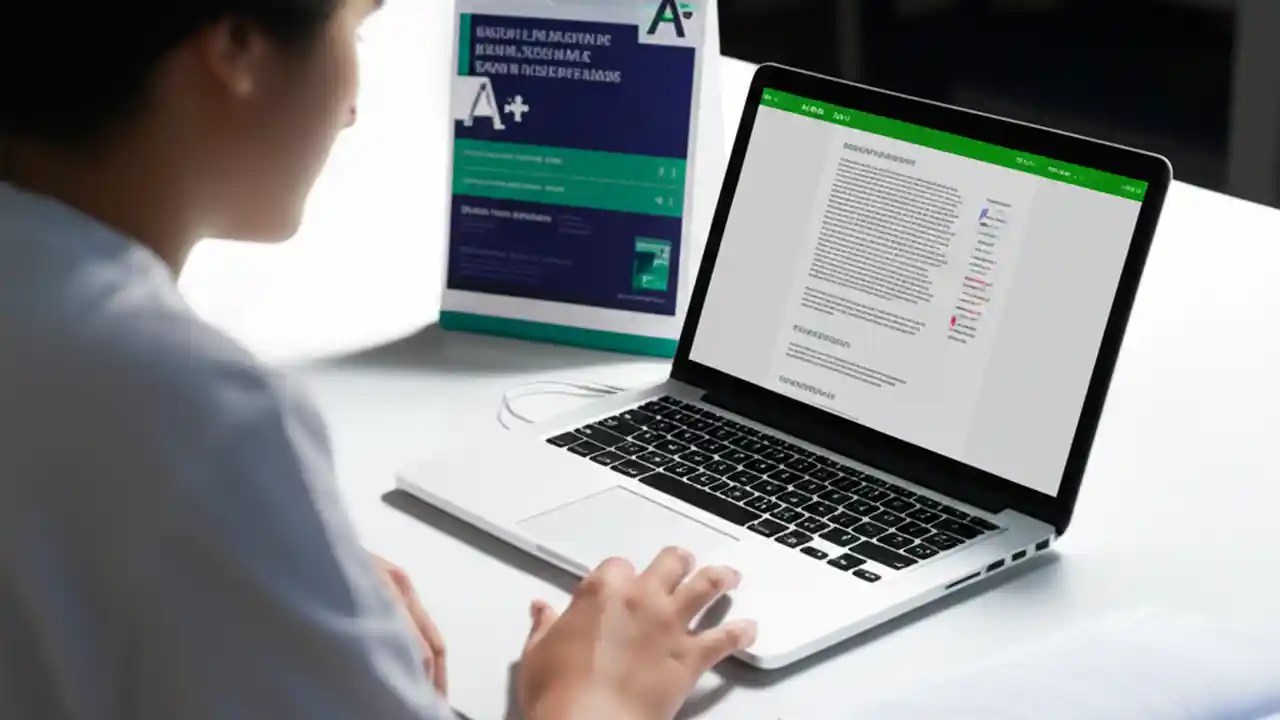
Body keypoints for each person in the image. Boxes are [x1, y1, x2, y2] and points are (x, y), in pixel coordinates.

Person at [0, 1, 757, 718]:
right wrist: (593, 699)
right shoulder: (192, 412)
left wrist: (254, 557)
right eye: (354, 34)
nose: (353, 105)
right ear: (236, 48)